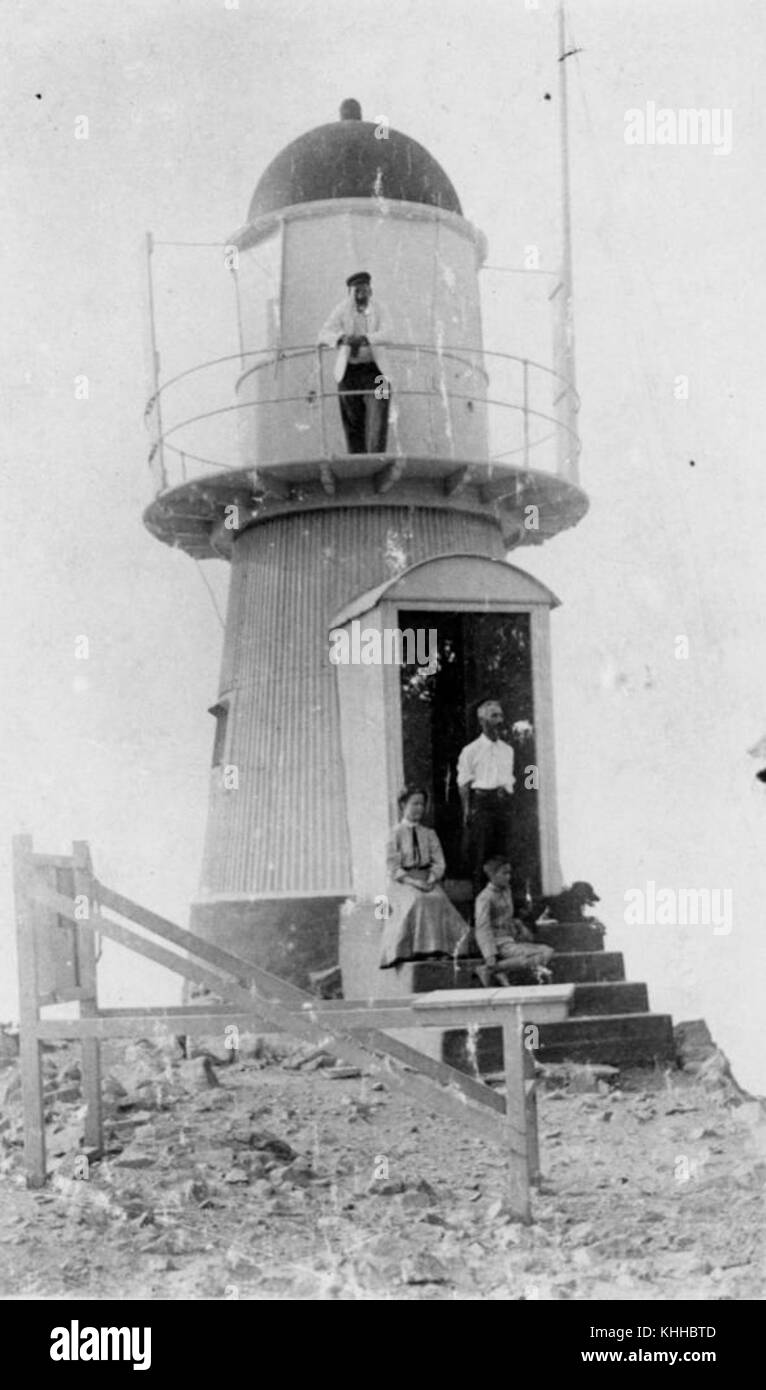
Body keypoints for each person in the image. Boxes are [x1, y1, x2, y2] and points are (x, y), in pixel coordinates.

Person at [379, 787, 471, 969]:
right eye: (414, 803)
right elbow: (392, 865)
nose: (419, 808)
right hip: (404, 882)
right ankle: (415, 950)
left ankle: (439, 948)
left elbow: (439, 863)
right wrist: (413, 882)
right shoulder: (395, 833)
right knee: (418, 900)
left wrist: (430, 879)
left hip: (427, 880)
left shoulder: (429, 834)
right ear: (403, 805)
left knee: (437, 899)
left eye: (422, 804)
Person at [317, 272, 392, 454]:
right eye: (356, 291)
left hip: (377, 373)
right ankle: (357, 459)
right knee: (352, 418)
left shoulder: (380, 309)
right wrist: (342, 338)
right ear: (349, 293)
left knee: (379, 412)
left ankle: (376, 458)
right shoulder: (342, 310)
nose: (360, 295)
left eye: (364, 291)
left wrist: (365, 339)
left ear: (370, 291)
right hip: (349, 373)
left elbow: (389, 333)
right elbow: (323, 334)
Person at [457, 699, 516, 896]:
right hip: (482, 806)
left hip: (504, 805)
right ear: (482, 720)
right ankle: (480, 912)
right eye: (494, 716)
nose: (499, 720)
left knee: (504, 857)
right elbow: (464, 783)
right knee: (482, 858)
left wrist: (517, 794)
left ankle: (505, 910)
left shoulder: (508, 750)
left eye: (500, 715)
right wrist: (467, 812)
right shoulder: (470, 751)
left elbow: (521, 776)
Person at [473, 857, 554, 986]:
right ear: (492, 875)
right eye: (504, 873)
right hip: (498, 945)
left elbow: (505, 916)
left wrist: (518, 925)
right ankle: (490, 969)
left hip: (510, 940)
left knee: (547, 951)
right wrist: (489, 955)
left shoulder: (506, 890)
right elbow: (482, 927)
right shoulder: (484, 898)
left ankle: (499, 970)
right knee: (545, 952)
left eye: (509, 873)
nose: (508, 877)